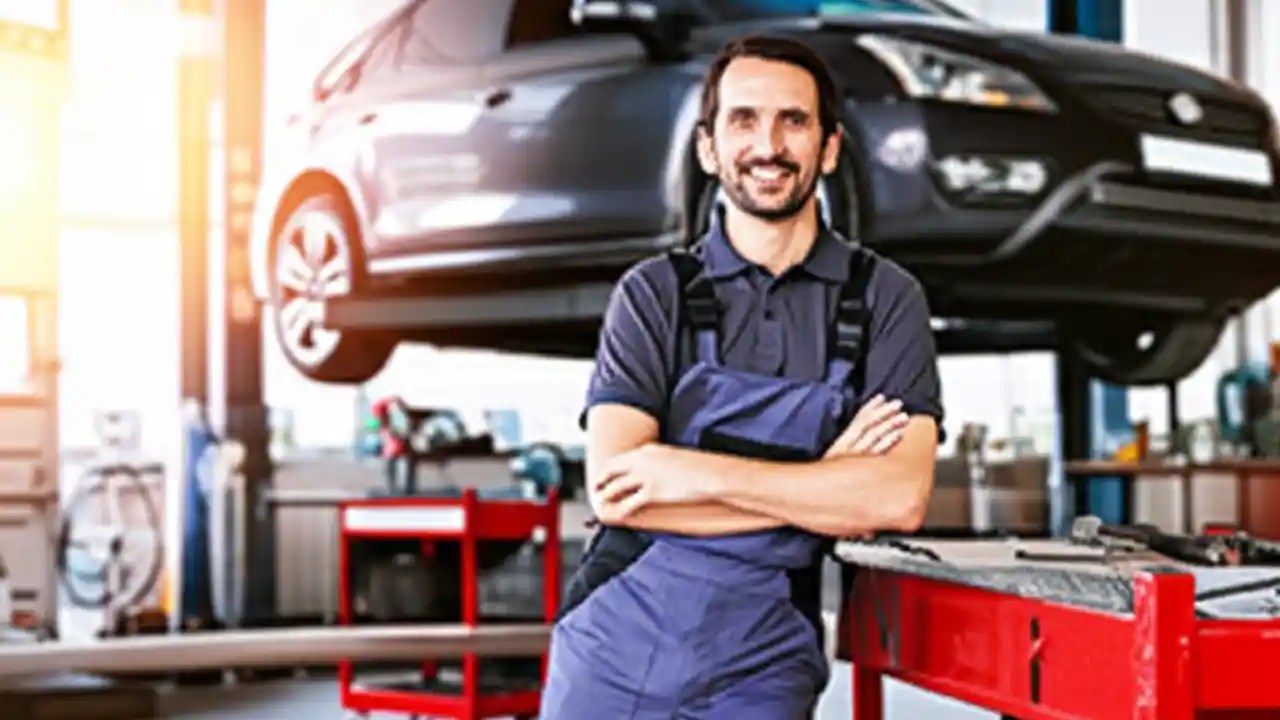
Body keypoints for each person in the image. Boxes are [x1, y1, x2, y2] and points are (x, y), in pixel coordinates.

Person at [539, 33, 945, 719]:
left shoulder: (885, 299)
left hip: (763, 665)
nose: (769, 145)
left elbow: (898, 497)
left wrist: (689, 470)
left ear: (829, 146)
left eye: (794, 120)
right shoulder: (654, 294)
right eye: (744, 119)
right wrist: (822, 482)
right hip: (614, 644)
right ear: (708, 147)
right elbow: (616, 493)